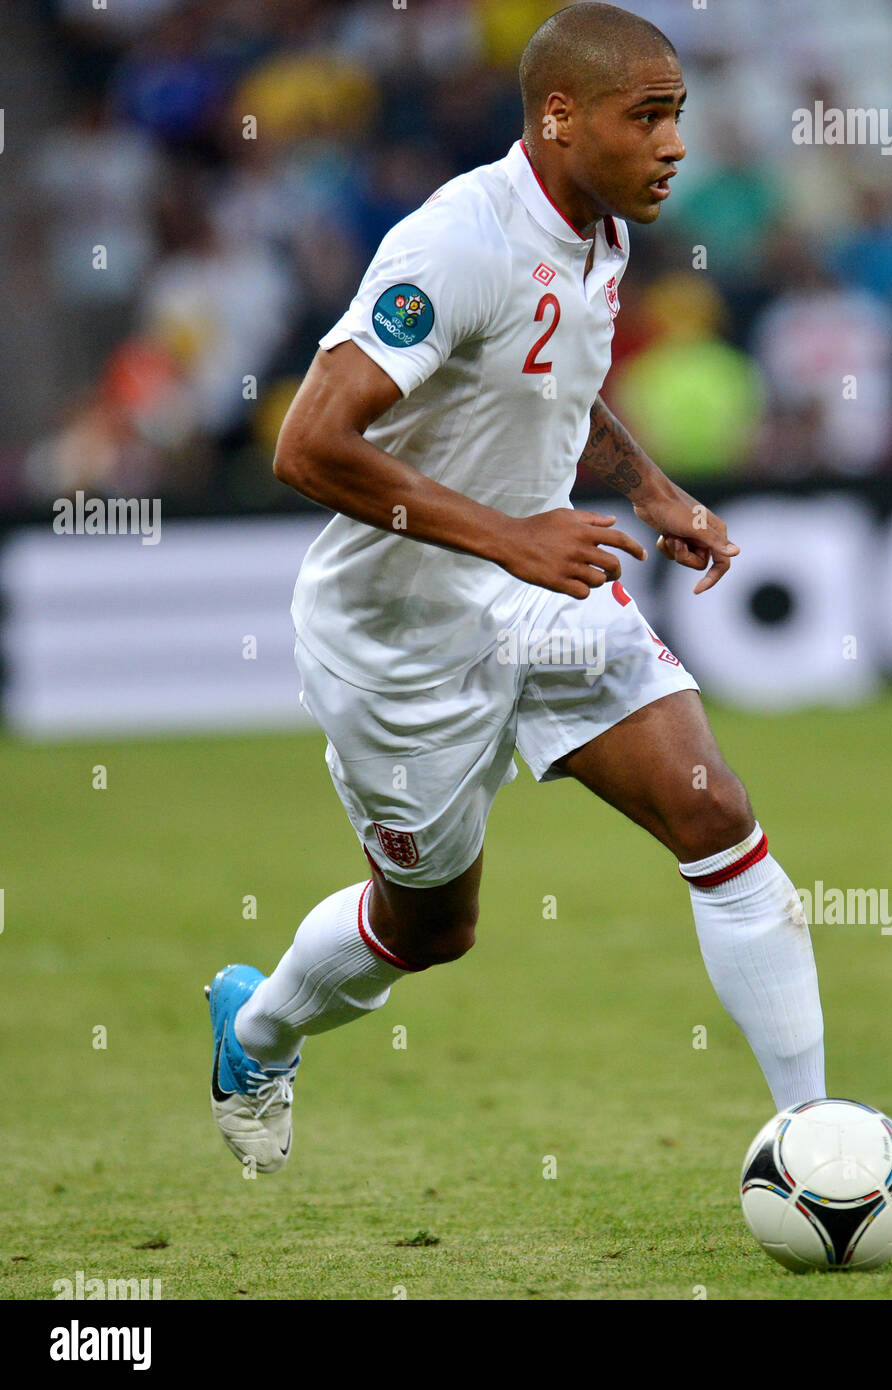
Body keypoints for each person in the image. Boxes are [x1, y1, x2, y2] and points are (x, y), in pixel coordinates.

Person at [207, 2, 825, 1174]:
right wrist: (503, 539)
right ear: (556, 116)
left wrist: (647, 484)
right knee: (429, 928)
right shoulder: (455, 243)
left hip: (542, 596)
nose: (673, 146)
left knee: (716, 818)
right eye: (646, 119)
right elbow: (305, 445)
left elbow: (551, 377)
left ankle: (811, 1138)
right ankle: (258, 1027)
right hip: (399, 637)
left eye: (677, 117)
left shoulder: (602, 229)